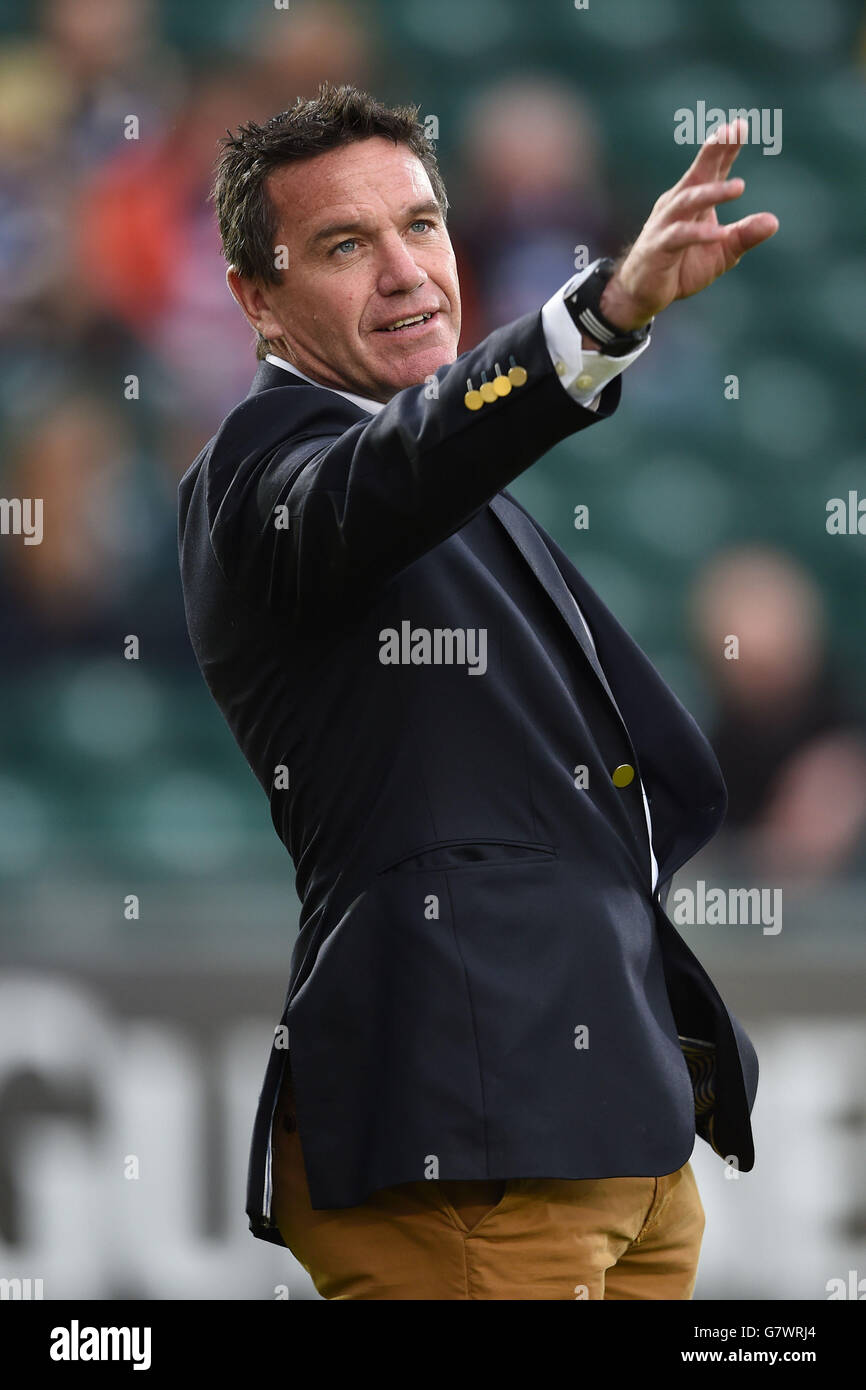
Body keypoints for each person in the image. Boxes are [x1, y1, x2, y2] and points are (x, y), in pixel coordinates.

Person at [177, 84, 778, 1300]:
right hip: (467, 1132)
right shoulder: (262, 468)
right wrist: (598, 317)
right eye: (344, 245)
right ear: (255, 297)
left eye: (420, 224)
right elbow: (401, 466)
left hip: (600, 1123)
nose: (406, 272)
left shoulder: (429, 464)